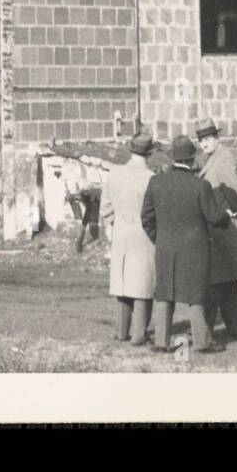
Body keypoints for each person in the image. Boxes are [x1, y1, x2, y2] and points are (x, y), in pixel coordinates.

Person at [141, 135, 228, 354]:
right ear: (192, 159)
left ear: (173, 158)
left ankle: (161, 341)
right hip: (195, 250)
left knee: (164, 293)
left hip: (165, 248)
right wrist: (226, 215)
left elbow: (146, 218)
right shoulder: (201, 186)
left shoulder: (156, 182)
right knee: (195, 294)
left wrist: (159, 239)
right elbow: (215, 218)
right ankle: (201, 342)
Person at [196, 118, 237, 339]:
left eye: (207, 139)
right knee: (227, 280)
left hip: (224, 228)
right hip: (221, 227)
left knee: (216, 280)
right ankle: (234, 326)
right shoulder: (214, 158)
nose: (204, 144)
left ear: (216, 138)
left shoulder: (223, 158)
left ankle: (207, 328)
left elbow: (236, 190)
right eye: (201, 140)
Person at [100, 130, 158, 346]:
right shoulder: (151, 178)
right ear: (149, 153)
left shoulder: (114, 174)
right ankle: (139, 334)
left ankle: (121, 331)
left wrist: (114, 222)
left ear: (131, 150)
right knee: (143, 283)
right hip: (144, 234)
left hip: (121, 230)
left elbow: (105, 206)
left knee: (123, 281)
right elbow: (155, 211)